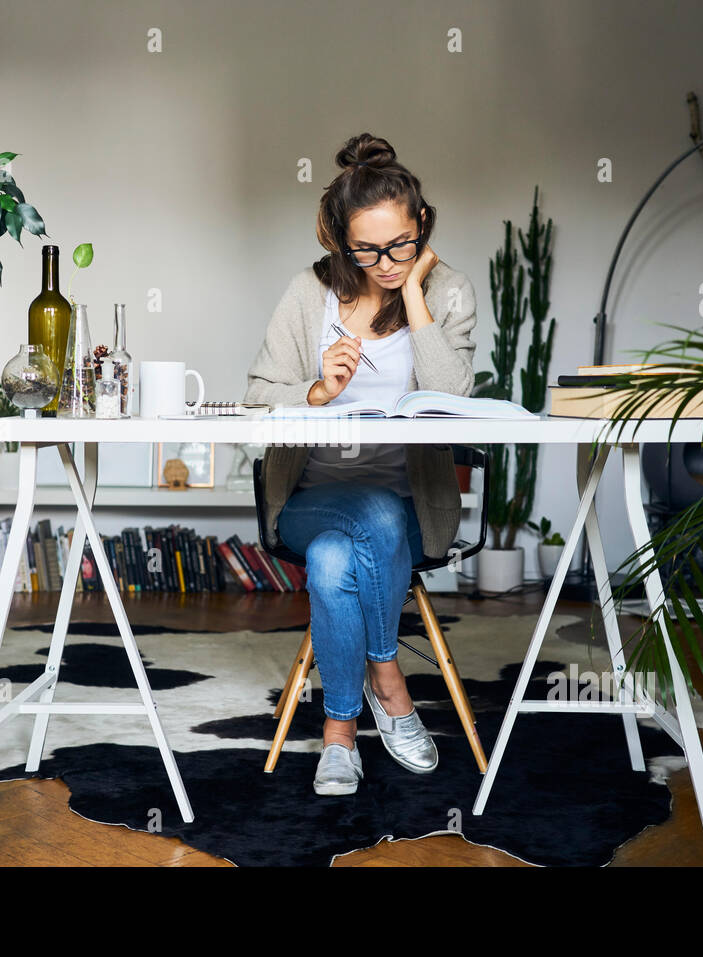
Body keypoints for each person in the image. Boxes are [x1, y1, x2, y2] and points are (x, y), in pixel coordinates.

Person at [243, 132, 478, 795]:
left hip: (409, 509)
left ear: (422, 226)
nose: (385, 262)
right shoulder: (306, 294)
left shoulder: (448, 290)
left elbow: (452, 398)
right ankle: (389, 678)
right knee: (357, 516)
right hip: (310, 499)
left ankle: (339, 732)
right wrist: (315, 393)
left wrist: (418, 292)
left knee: (333, 561)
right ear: (340, 242)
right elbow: (259, 397)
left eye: (400, 245)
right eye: (367, 249)